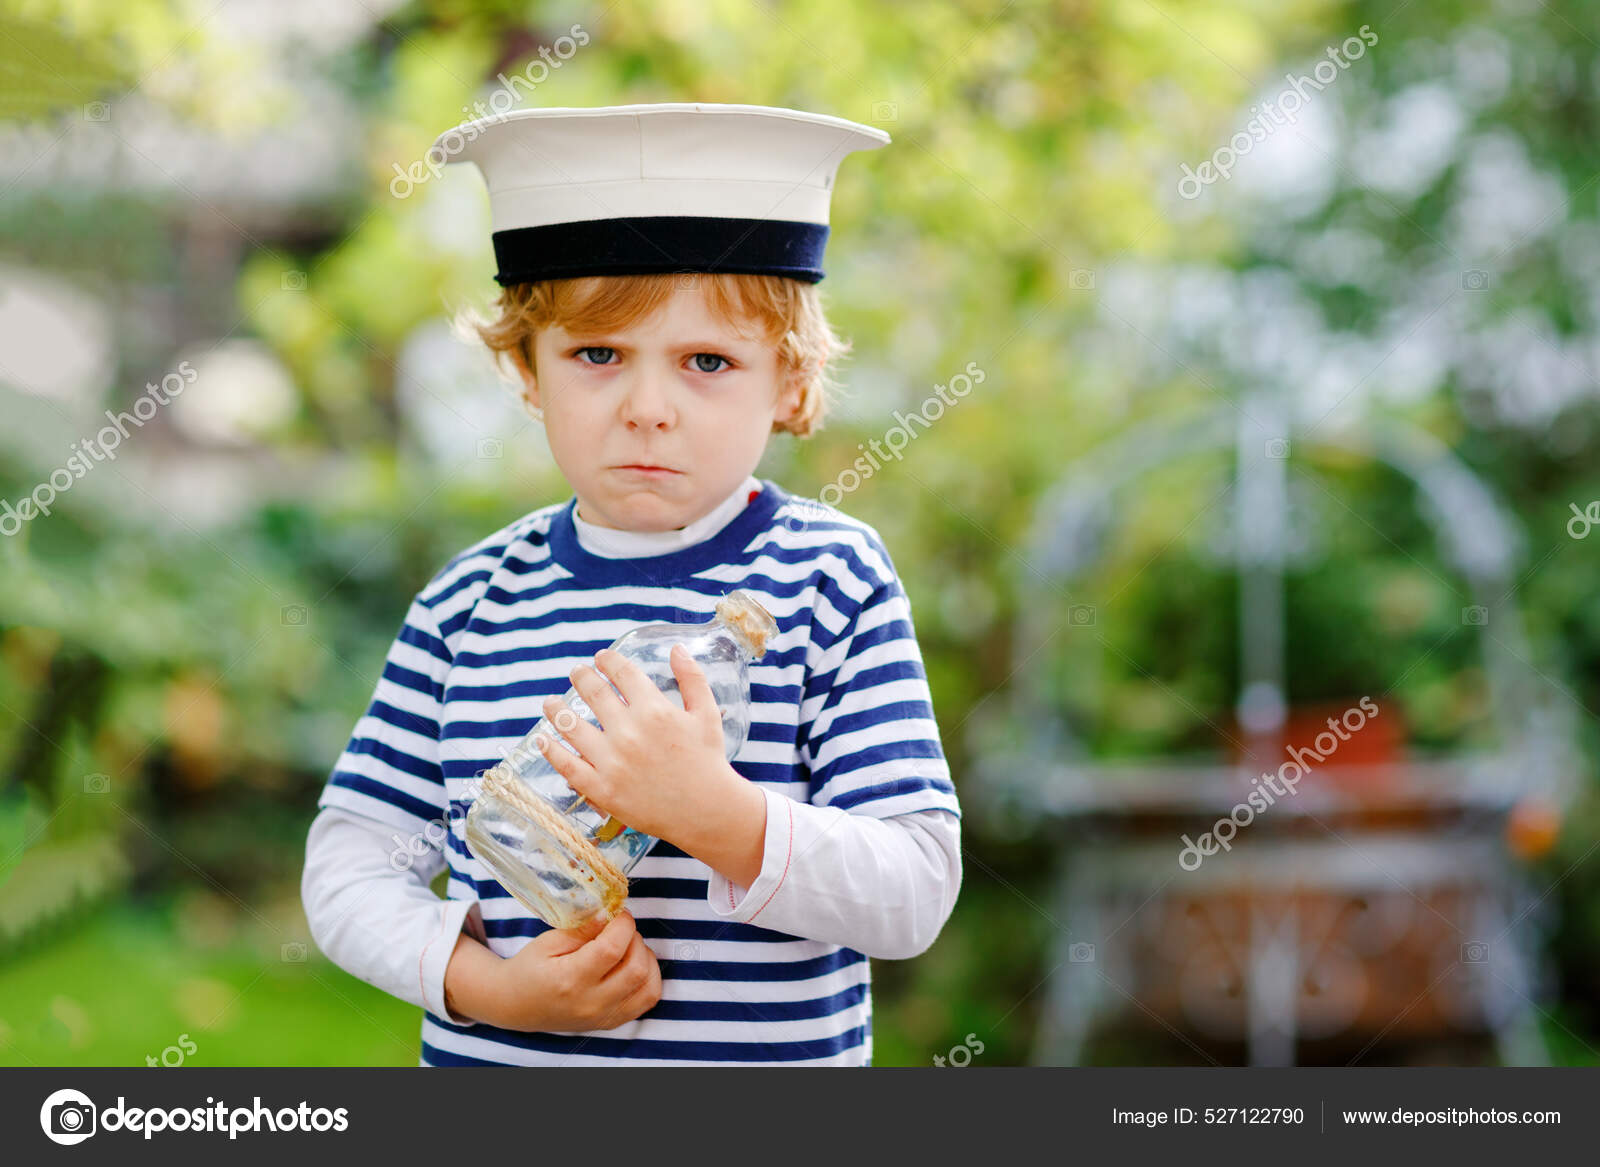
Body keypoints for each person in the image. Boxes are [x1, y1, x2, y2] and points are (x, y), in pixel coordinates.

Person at [300, 103, 962, 1066]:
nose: (648, 409)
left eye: (707, 361)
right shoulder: (466, 605)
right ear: (528, 365)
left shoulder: (832, 581)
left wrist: (709, 810)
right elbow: (352, 865)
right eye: (597, 354)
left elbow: (911, 892)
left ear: (787, 378)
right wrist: (492, 990)